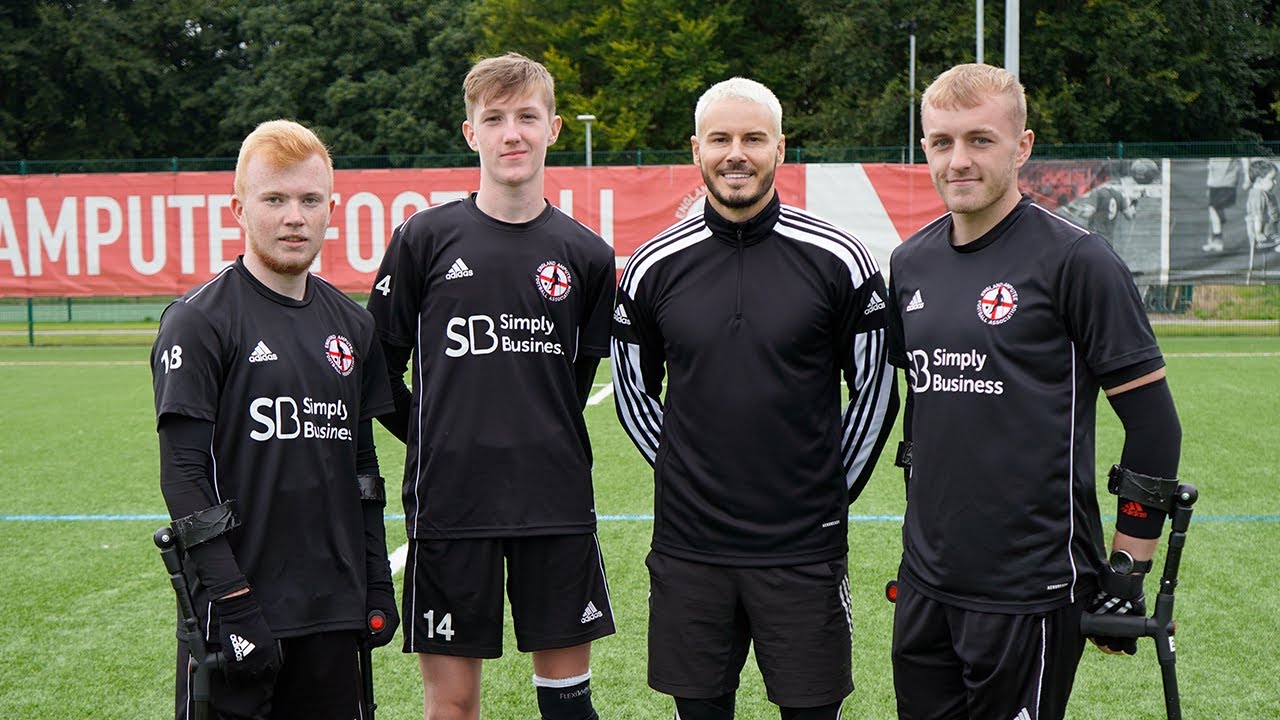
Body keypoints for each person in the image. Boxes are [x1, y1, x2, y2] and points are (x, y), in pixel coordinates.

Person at [885, 63, 1182, 720]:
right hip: (926, 582)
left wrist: (1127, 571)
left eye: (979, 140)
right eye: (941, 142)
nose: (957, 160)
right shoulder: (909, 264)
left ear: (1021, 147)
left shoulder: (1077, 261)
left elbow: (1156, 428)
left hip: (1031, 585)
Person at [612, 77, 898, 720]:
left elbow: (876, 386)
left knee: (812, 709)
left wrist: (830, 487)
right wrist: (689, 475)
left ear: (779, 148)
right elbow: (633, 389)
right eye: (720, 139)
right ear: (696, 150)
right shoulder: (650, 265)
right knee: (700, 710)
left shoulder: (841, 258)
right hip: (691, 547)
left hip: (803, 546)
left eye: (752, 138)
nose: (735, 153)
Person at [366, 52, 616, 720]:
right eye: (495, 118)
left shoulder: (588, 255)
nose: (513, 133)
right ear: (470, 133)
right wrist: (434, 434)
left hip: (554, 501)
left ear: (553, 127)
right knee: (452, 706)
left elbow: (572, 385)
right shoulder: (423, 239)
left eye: (527, 117)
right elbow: (376, 374)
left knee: (567, 706)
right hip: (452, 502)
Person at [151, 119, 399, 719]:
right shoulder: (199, 320)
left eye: (310, 200)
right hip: (239, 615)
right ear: (238, 208)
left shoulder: (353, 325)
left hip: (333, 612)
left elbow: (362, 471)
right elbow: (184, 478)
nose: (295, 217)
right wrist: (233, 603)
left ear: (331, 209)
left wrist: (376, 580)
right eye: (275, 200)